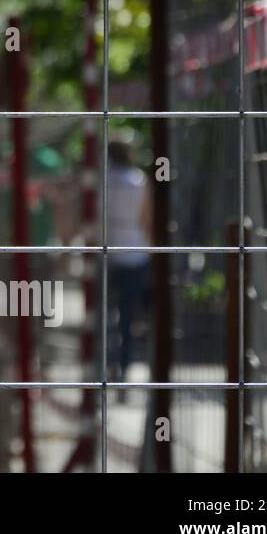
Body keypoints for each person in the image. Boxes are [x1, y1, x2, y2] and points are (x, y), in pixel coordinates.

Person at [106, 139, 152, 388]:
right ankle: (124, 367)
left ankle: (108, 363)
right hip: (134, 250)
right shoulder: (138, 180)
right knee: (127, 316)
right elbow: (146, 218)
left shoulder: (104, 180)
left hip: (107, 249)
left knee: (108, 314)